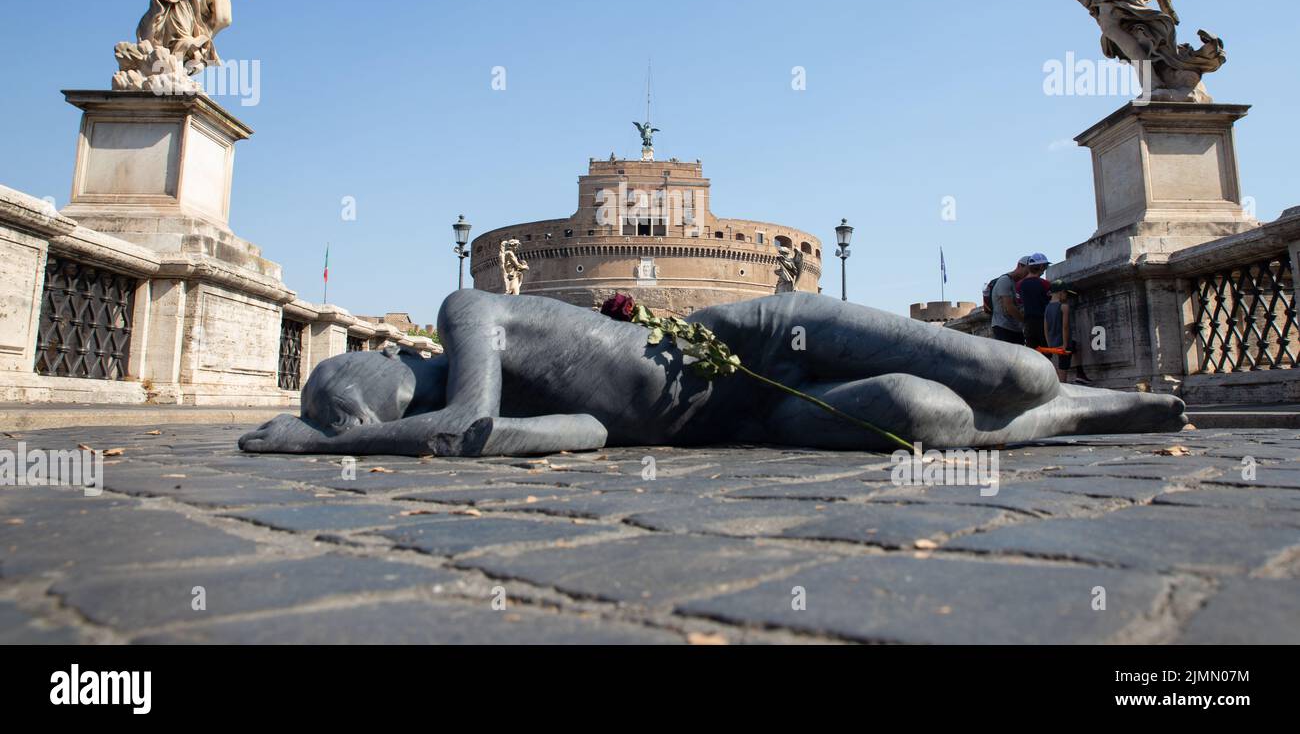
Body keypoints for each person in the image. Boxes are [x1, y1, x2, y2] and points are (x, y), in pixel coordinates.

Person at [239, 289, 1185, 457]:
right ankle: (1110, 415)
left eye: (376, 401)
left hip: (763, 338)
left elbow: (452, 426)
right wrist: (344, 440)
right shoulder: (508, 420)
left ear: (397, 365)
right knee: (926, 417)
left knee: (1014, 370)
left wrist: (312, 447)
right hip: (746, 420)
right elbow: (590, 433)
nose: (399, 402)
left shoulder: (465, 317)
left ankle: (1087, 396)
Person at [989, 259, 1031, 343]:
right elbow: (1009, 307)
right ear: (1020, 266)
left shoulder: (1018, 283)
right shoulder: (1005, 280)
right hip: (1003, 327)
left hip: (1015, 328)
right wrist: (1025, 322)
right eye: (1028, 270)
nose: (1029, 273)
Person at [1016, 254, 1052, 349]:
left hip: (1028, 323)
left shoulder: (1019, 285)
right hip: (1043, 322)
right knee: (1046, 352)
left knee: (1032, 353)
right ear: (1041, 267)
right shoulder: (1045, 284)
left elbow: (1019, 302)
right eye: (1045, 266)